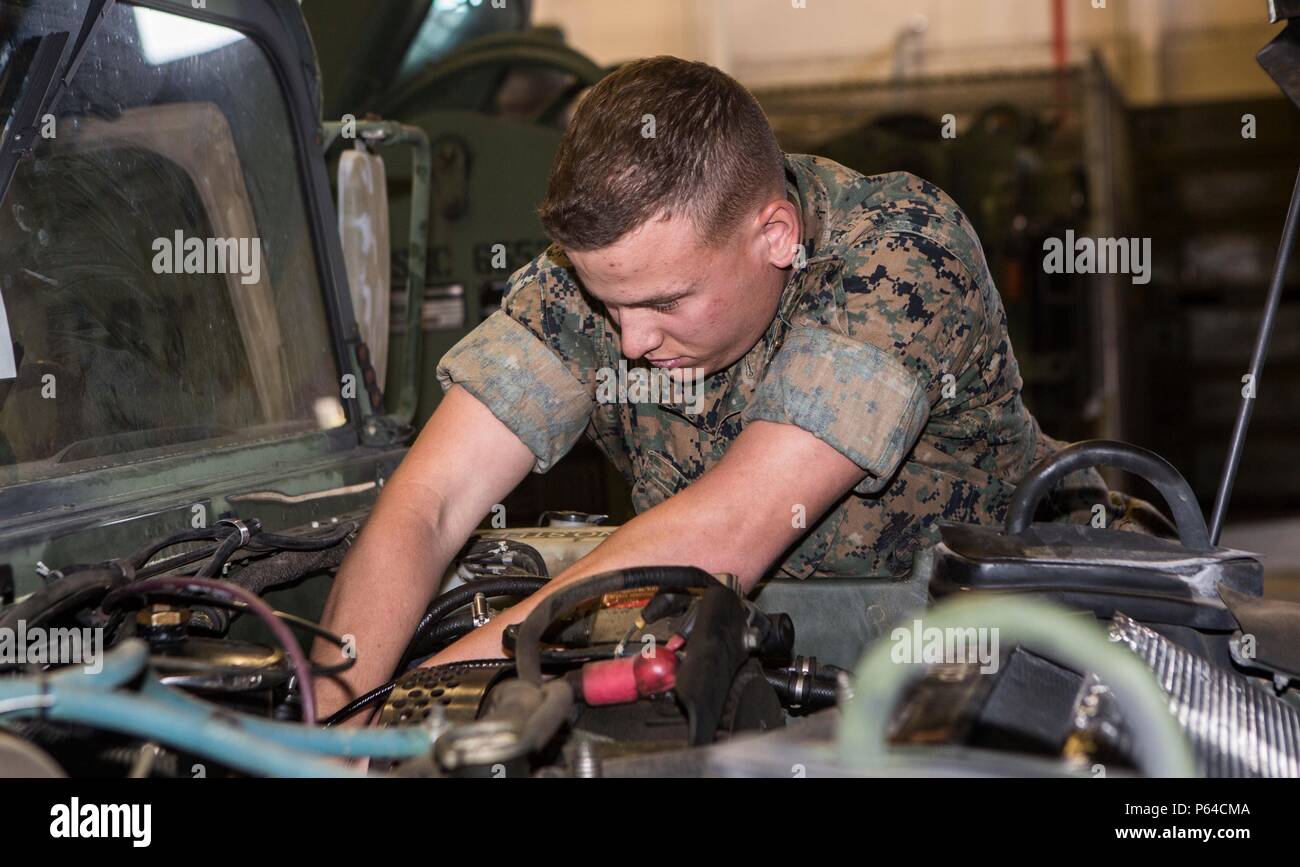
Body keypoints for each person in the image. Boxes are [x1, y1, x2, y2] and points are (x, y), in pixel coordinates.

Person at [312, 56, 1163, 721]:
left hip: (1036, 658)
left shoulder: (897, 253)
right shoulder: (595, 288)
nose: (632, 340)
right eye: (611, 302)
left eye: (665, 302)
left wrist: (429, 694)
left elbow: (732, 529)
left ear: (776, 235)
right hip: (782, 668)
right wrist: (332, 712)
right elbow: (429, 500)